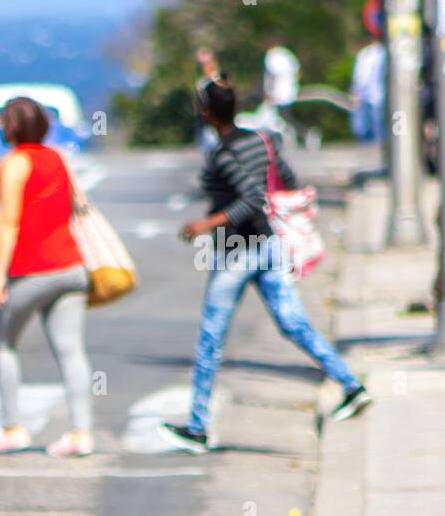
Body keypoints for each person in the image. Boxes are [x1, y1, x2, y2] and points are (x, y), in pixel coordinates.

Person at [159, 79, 371, 454]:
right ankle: (350, 384)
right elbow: (284, 181)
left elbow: (252, 198)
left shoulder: (222, 154)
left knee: (211, 338)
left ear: (207, 113)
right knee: (293, 323)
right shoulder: (262, 140)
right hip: (269, 244)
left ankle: (197, 427)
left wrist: (206, 224)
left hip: (237, 252)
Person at [0, 97, 94, 458]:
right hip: (71, 267)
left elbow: (9, 222)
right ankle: (80, 433)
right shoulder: (56, 156)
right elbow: (81, 204)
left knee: (3, 343)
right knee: (71, 350)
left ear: (10, 126)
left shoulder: (14, 163)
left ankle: (12, 427)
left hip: (32, 270)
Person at [262, 42, 304, 144]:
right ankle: (292, 136)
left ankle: (303, 134)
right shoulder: (286, 54)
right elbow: (298, 71)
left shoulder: (272, 56)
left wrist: (268, 91)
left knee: (283, 116)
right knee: (285, 116)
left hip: (279, 91)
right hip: (290, 89)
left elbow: (272, 76)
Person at [350, 37, 386, 144]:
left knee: (372, 132)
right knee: (371, 132)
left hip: (373, 98)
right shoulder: (369, 54)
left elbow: (359, 78)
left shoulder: (365, 54)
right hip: (373, 97)